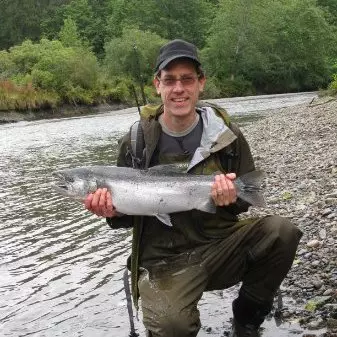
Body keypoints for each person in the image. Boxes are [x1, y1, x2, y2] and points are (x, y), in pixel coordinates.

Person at [84, 39, 302, 337]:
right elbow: (127, 215)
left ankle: (247, 318)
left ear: (201, 83)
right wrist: (110, 210)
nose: (178, 89)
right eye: (170, 80)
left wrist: (230, 197)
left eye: (187, 79)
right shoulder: (135, 142)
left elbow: (244, 201)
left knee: (282, 232)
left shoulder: (227, 135)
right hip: (163, 259)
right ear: (157, 85)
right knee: (172, 327)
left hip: (220, 245)